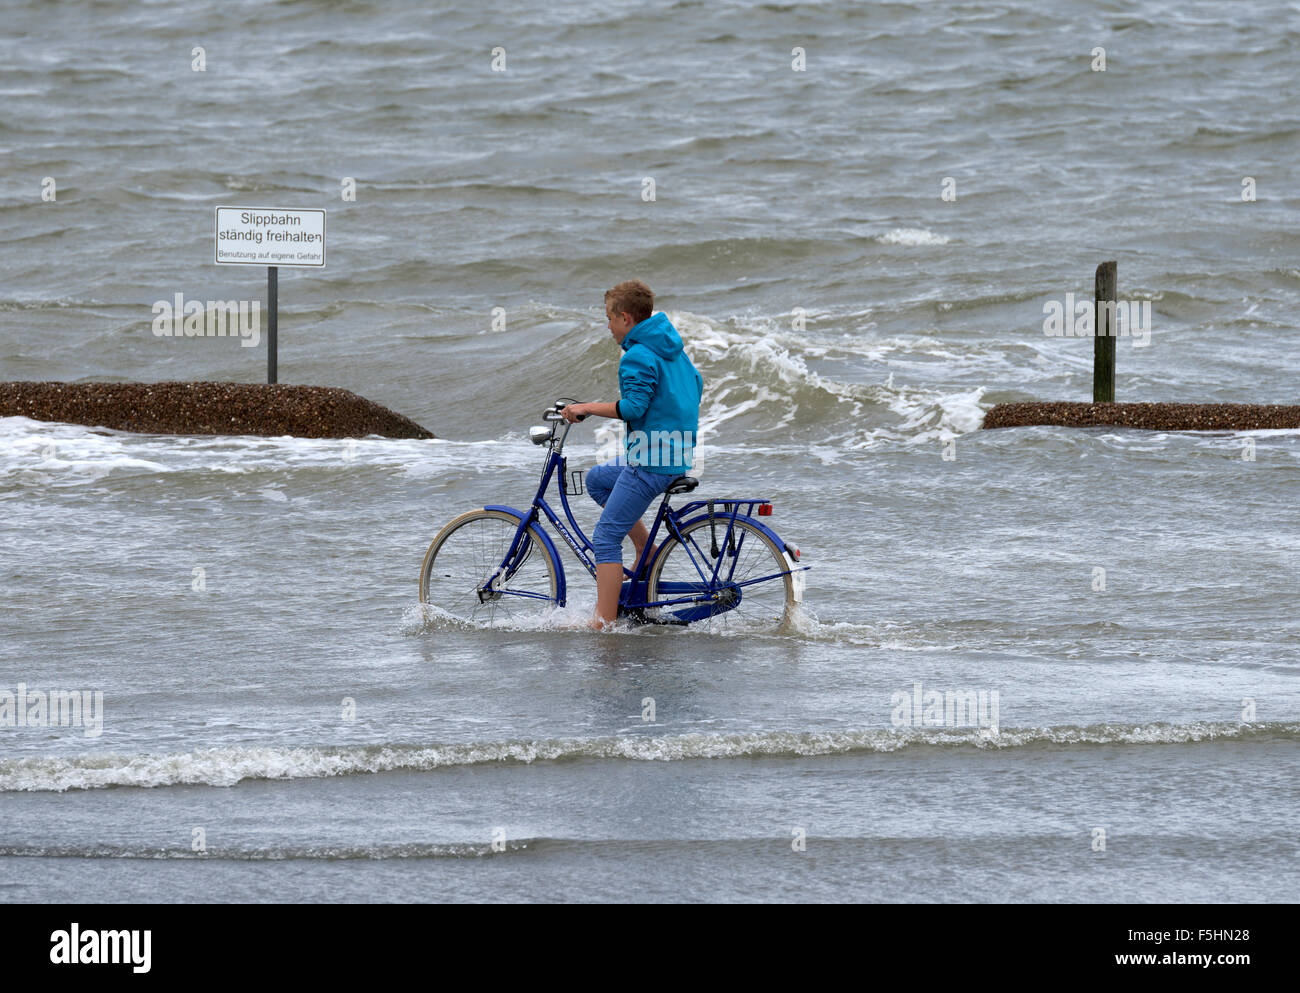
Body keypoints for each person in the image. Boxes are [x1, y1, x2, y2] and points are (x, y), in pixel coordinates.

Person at [561, 280, 703, 630]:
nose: (607, 326)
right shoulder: (672, 350)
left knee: (606, 538)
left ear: (625, 318)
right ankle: (648, 551)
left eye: (608, 318)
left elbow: (633, 407)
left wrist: (587, 408)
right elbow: (696, 385)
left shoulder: (637, 354)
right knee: (597, 480)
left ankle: (603, 624)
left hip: (651, 462)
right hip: (673, 454)